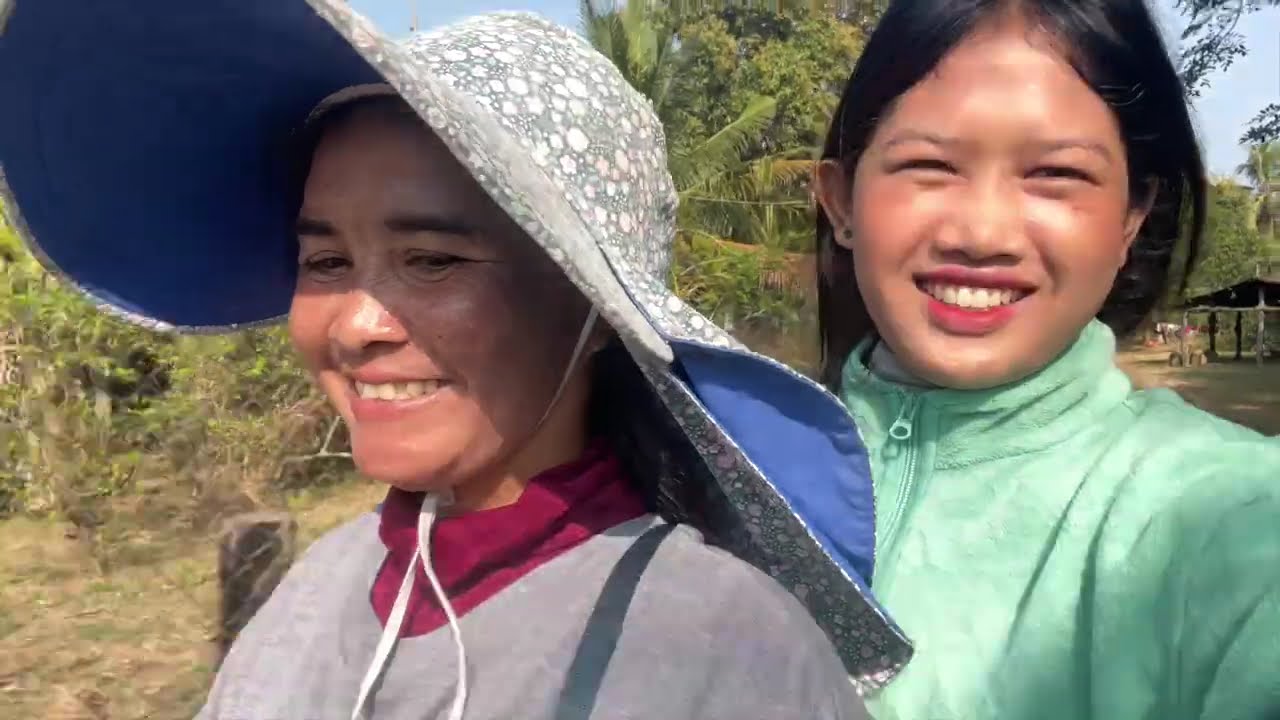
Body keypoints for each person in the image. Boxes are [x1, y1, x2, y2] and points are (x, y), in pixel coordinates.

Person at [0, 3, 912, 719]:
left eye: (431, 260)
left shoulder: (725, 646)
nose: (355, 323)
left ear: (597, 312)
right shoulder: (317, 588)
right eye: (325, 261)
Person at [811, 1, 1280, 719]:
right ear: (841, 200)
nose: (983, 233)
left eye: (1056, 174)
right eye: (929, 165)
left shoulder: (1234, 513)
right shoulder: (714, 465)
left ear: (1132, 218)